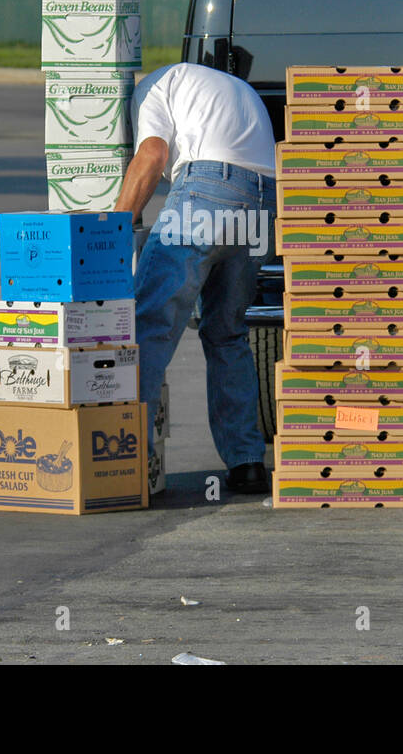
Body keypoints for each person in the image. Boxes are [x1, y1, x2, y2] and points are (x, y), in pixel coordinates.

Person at [114, 62, 277, 494]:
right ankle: (246, 463)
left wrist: (110, 232)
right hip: (264, 201)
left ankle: (124, 459)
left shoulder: (151, 89)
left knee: (149, 324)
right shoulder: (220, 84)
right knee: (227, 333)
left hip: (208, 187)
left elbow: (151, 156)